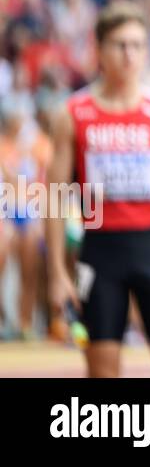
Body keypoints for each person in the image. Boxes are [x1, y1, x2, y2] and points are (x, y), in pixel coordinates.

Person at [44, 2, 150, 377]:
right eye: (119, 45)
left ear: (147, 51)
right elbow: (54, 198)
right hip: (101, 253)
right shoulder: (73, 114)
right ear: (98, 50)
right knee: (102, 373)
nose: (129, 54)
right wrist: (56, 273)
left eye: (136, 45)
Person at [0, 100, 52, 340]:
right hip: (5, 211)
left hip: (30, 211)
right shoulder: (2, 146)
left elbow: (48, 183)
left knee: (30, 264)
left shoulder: (39, 145)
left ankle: (25, 321)